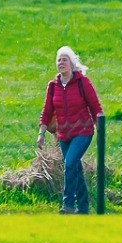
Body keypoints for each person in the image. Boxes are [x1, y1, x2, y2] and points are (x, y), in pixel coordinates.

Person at [39, 46, 102, 215]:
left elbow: (95, 107)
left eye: (64, 60)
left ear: (72, 64)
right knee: (75, 167)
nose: (61, 63)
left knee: (70, 163)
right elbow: (46, 111)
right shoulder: (53, 86)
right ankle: (83, 207)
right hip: (64, 135)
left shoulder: (83, 83)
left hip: (83, 131)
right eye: (59, 60)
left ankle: (67, 204)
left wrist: (100, 130)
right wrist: (41, 133)